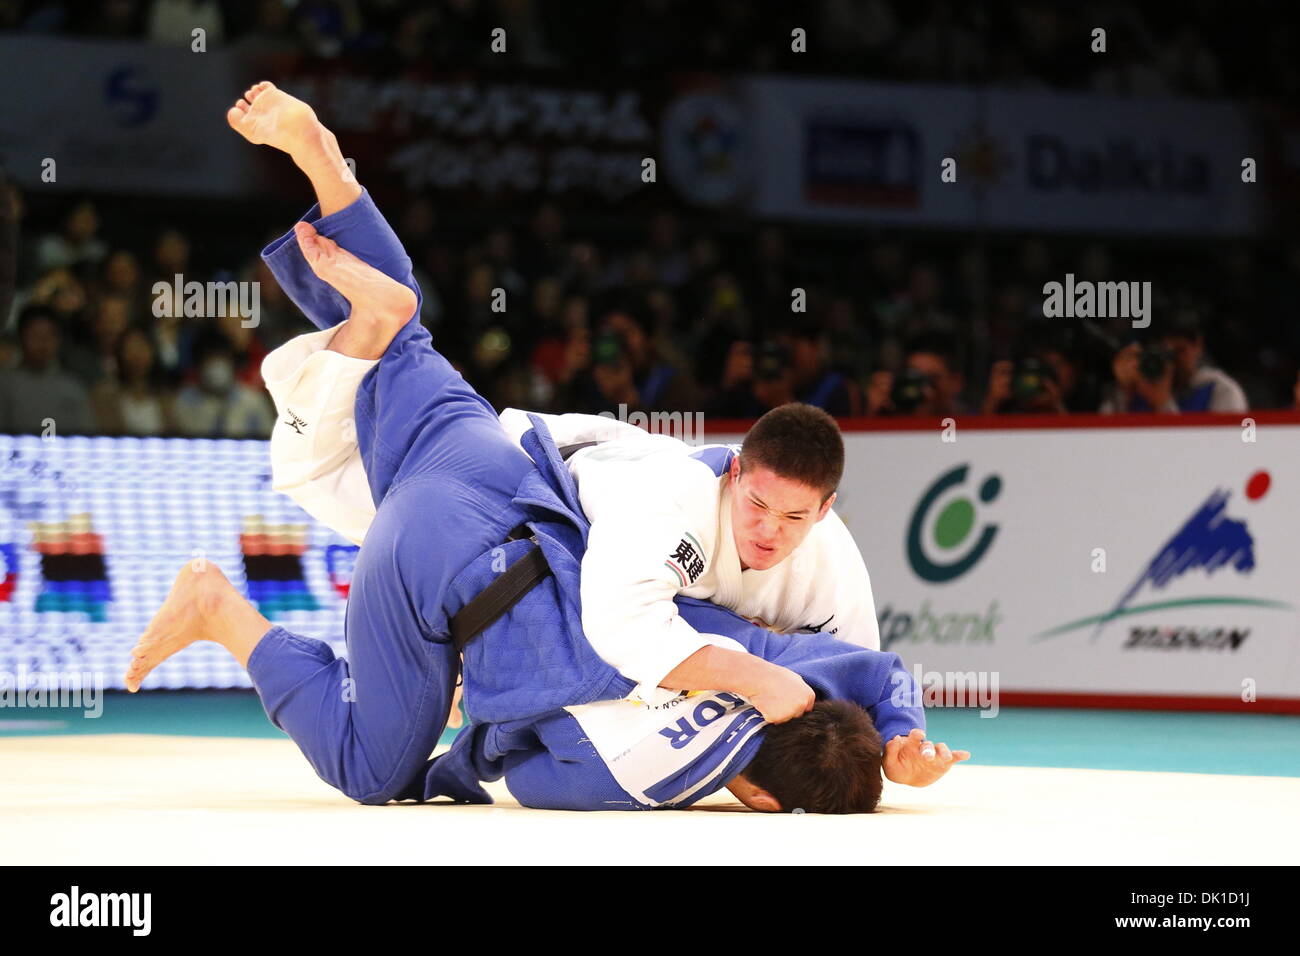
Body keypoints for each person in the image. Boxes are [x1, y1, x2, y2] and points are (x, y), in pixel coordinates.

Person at [126, 80, 926, 809]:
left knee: (403, 340)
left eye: (791, 522)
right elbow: (537, 746)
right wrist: (447, 734)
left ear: (824, 516)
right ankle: (221, 612)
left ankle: (328, 170)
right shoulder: (660, 740)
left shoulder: (783, 617)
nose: (768, 532)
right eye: (759, 507)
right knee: (376, 770)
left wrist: (897, 735)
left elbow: (870, 671)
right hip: (444, 560)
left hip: (498, 460)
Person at [1101, 310, 1248, 413]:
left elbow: (1220, 453)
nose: (1171, 364)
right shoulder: (1135, 389)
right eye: (1162, 354)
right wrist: (1123, 393)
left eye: (1179, 351)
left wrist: (1162, 405)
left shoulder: (1220, 391)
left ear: (1198, 346)